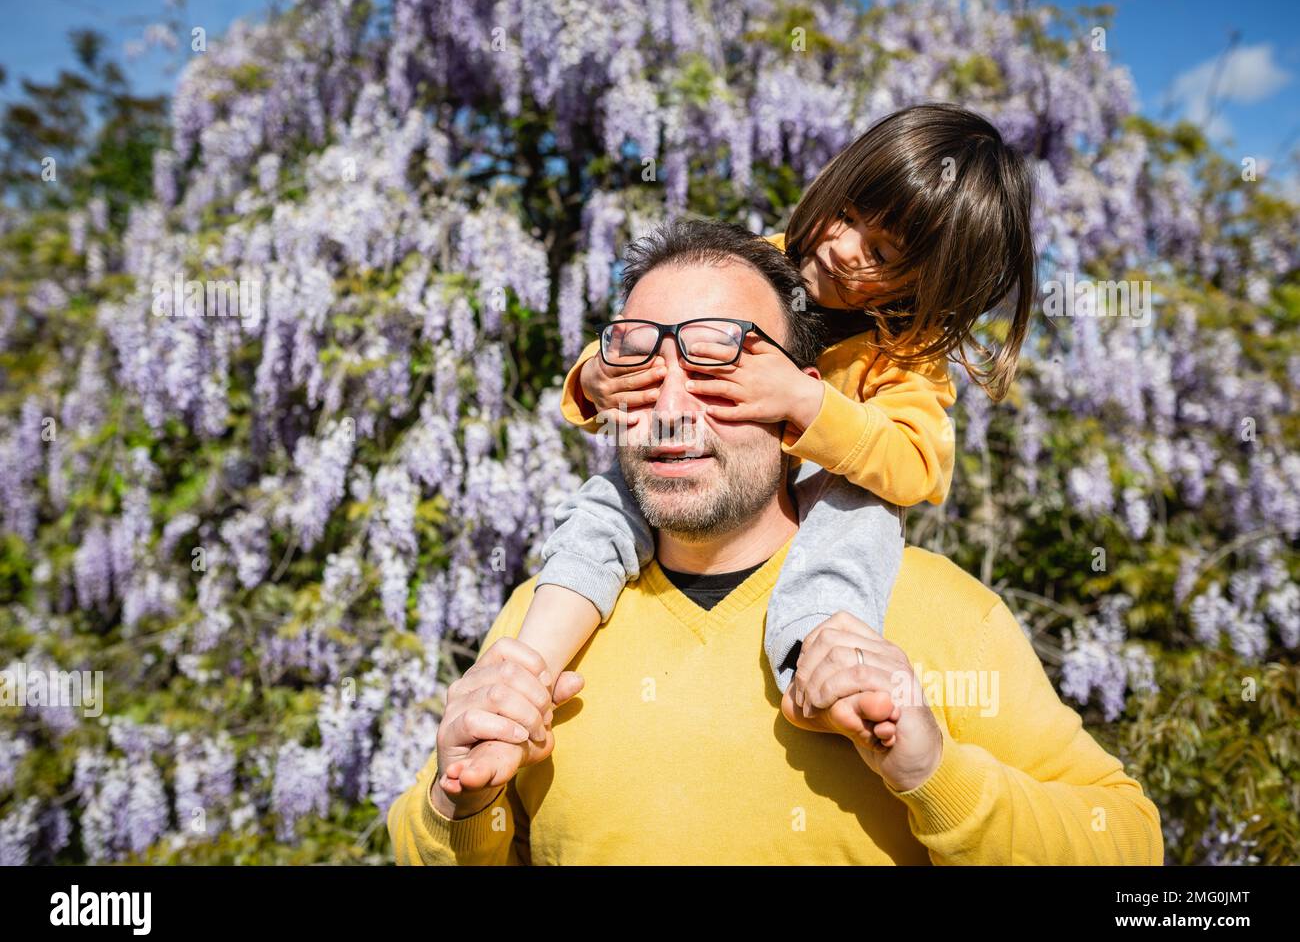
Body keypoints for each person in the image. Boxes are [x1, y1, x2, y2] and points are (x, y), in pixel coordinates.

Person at [386, 218, 1163, 865]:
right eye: (637, 368)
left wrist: (933, 773)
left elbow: (1127, 845)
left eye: (720, 370)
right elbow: (440, 849)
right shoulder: (543, 620)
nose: (672, 409)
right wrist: (462, 799)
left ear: (801, 397)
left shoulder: (939, 613)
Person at [452, 103, 1036, 788]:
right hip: (696, 475)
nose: (846, 249)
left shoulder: (905, 354)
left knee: (862, 508)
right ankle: (524, 673)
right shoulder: (754, 264)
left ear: (927, 281)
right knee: (606, 506)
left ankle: (819, 661)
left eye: (880, 254)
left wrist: (804, 402)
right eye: (847, 215)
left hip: (806, 519)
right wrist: (595, 376)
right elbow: (650, 333)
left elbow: (916, 466)